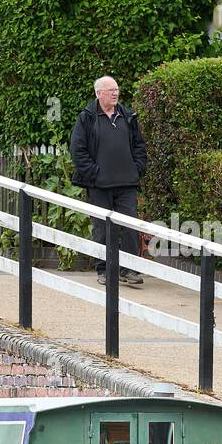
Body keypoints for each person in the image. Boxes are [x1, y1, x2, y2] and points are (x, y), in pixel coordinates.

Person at [69, 76, 147, 286]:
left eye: (117, 89)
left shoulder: (128, 115)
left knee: (130, 227)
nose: (115, 93)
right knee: (102, 229)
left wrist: (137, 169)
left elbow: (139, 145)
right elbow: (77, 150)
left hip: (127, 183)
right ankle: (103, 270)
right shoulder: (86, 117)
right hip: (99, 185)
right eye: (110, 90)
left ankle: (128, 270)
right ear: (98, 93)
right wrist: (94, 173)